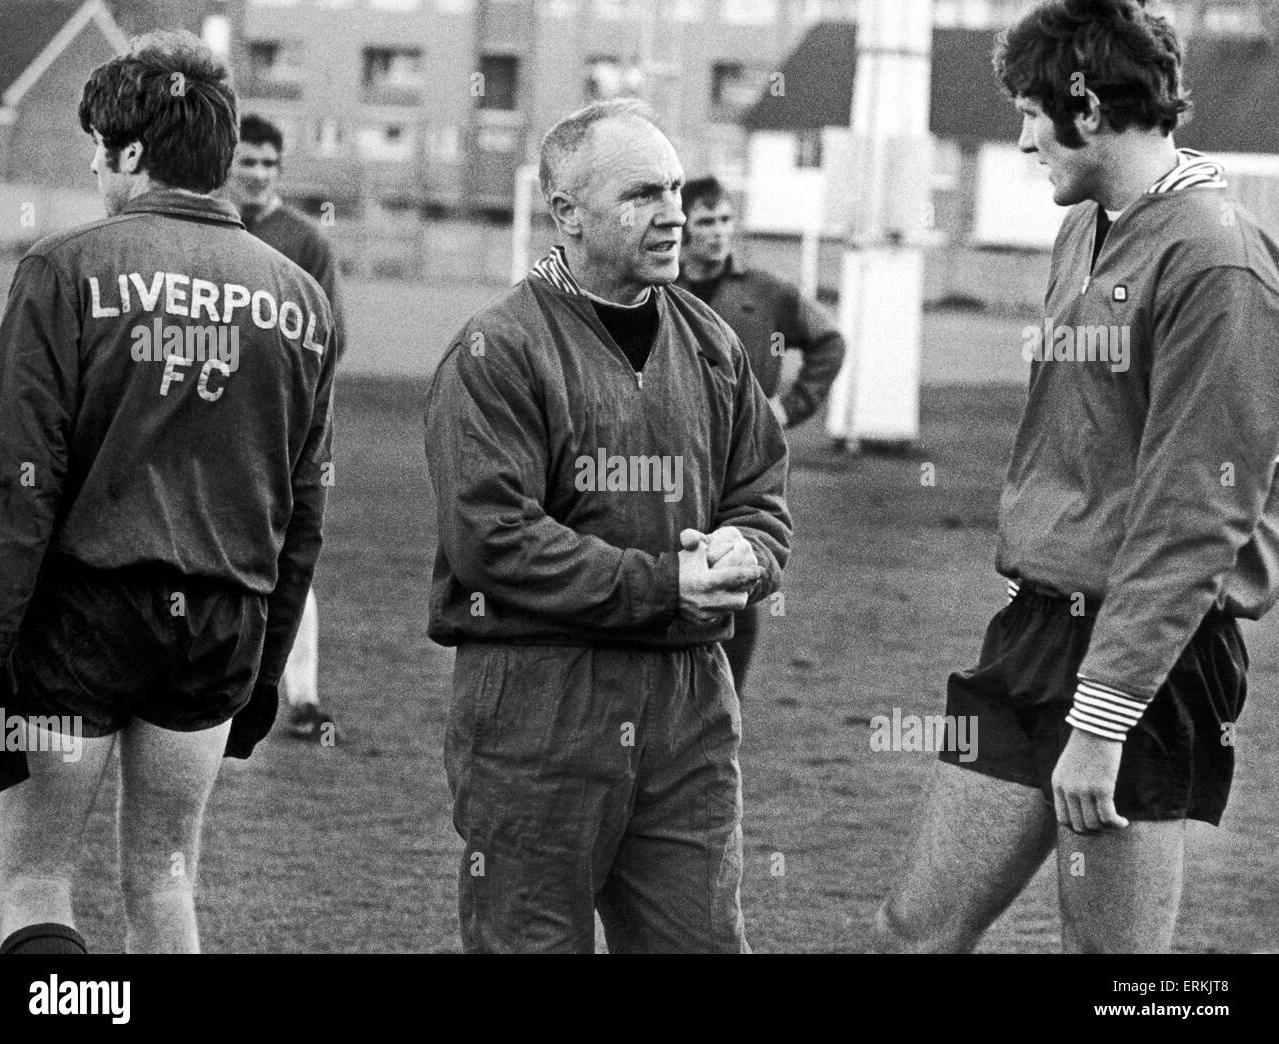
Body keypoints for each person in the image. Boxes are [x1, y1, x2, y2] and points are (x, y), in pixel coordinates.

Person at [875, 0, 1279, 954]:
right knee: (910, 935)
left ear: (1087, 107)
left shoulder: (1218, 261)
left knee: (1115, 979)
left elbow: (1200, 511)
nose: (1021, 140)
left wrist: (1104, 718)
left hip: (1148, 661)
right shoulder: (1086, 227)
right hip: (1035, 633)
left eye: (1028, 112)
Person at [0, 31, 336, 954]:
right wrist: (266, 671)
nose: (96, 167)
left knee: (32, 877)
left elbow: (15, 483)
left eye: (100, 147)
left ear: (133, 154)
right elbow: (304, 510)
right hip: (219, 627)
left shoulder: (62, 271)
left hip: (78, 620)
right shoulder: (300, 299)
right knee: (166, 875)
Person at [424, 99, 792, 953]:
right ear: (567, 214)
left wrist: (748, 552)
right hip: (540, 705)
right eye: (641, 195)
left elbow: (762, 490)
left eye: (673, 188)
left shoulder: (711, 343)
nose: (673, 213)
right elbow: (493, 536)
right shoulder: (498, 349)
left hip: (690, 702)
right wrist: (665, 583)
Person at [676, 176, 845, 698]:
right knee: (670, 569)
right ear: (682, 229)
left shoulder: (765, 292)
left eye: (725, 220)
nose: (717, 232)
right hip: (670, 459)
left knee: (739, 569)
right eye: (705, 221)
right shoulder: (655, 291)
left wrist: (787, 409)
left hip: (743, 462)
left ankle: (725, 702)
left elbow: (829, 342)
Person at [228, 113, 345, 745]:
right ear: (227, 163)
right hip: (214, 428)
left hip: (284, 431)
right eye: (247, 161)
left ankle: (301, 698)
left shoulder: (306, 242)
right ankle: (215, 688)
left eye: (269, 164)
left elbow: (332, 341)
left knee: (288, 557)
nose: (257, 174)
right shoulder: (208, 232)